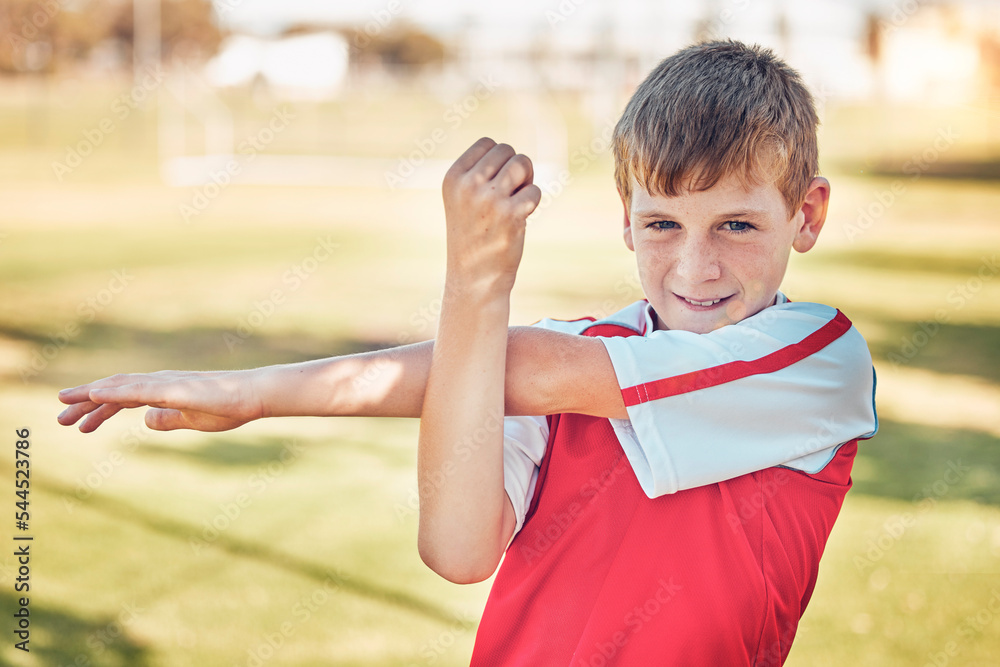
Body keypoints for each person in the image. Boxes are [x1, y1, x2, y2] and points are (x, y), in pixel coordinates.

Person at [59, 40, 877, 665]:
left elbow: (526, 364)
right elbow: (456, 549)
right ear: (624, 216)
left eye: (736, 224)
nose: (696, 267)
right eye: (664, 224)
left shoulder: (819, 359)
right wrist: (474, 314)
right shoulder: (566, 355)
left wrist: (260, 392)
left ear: (807, 215)